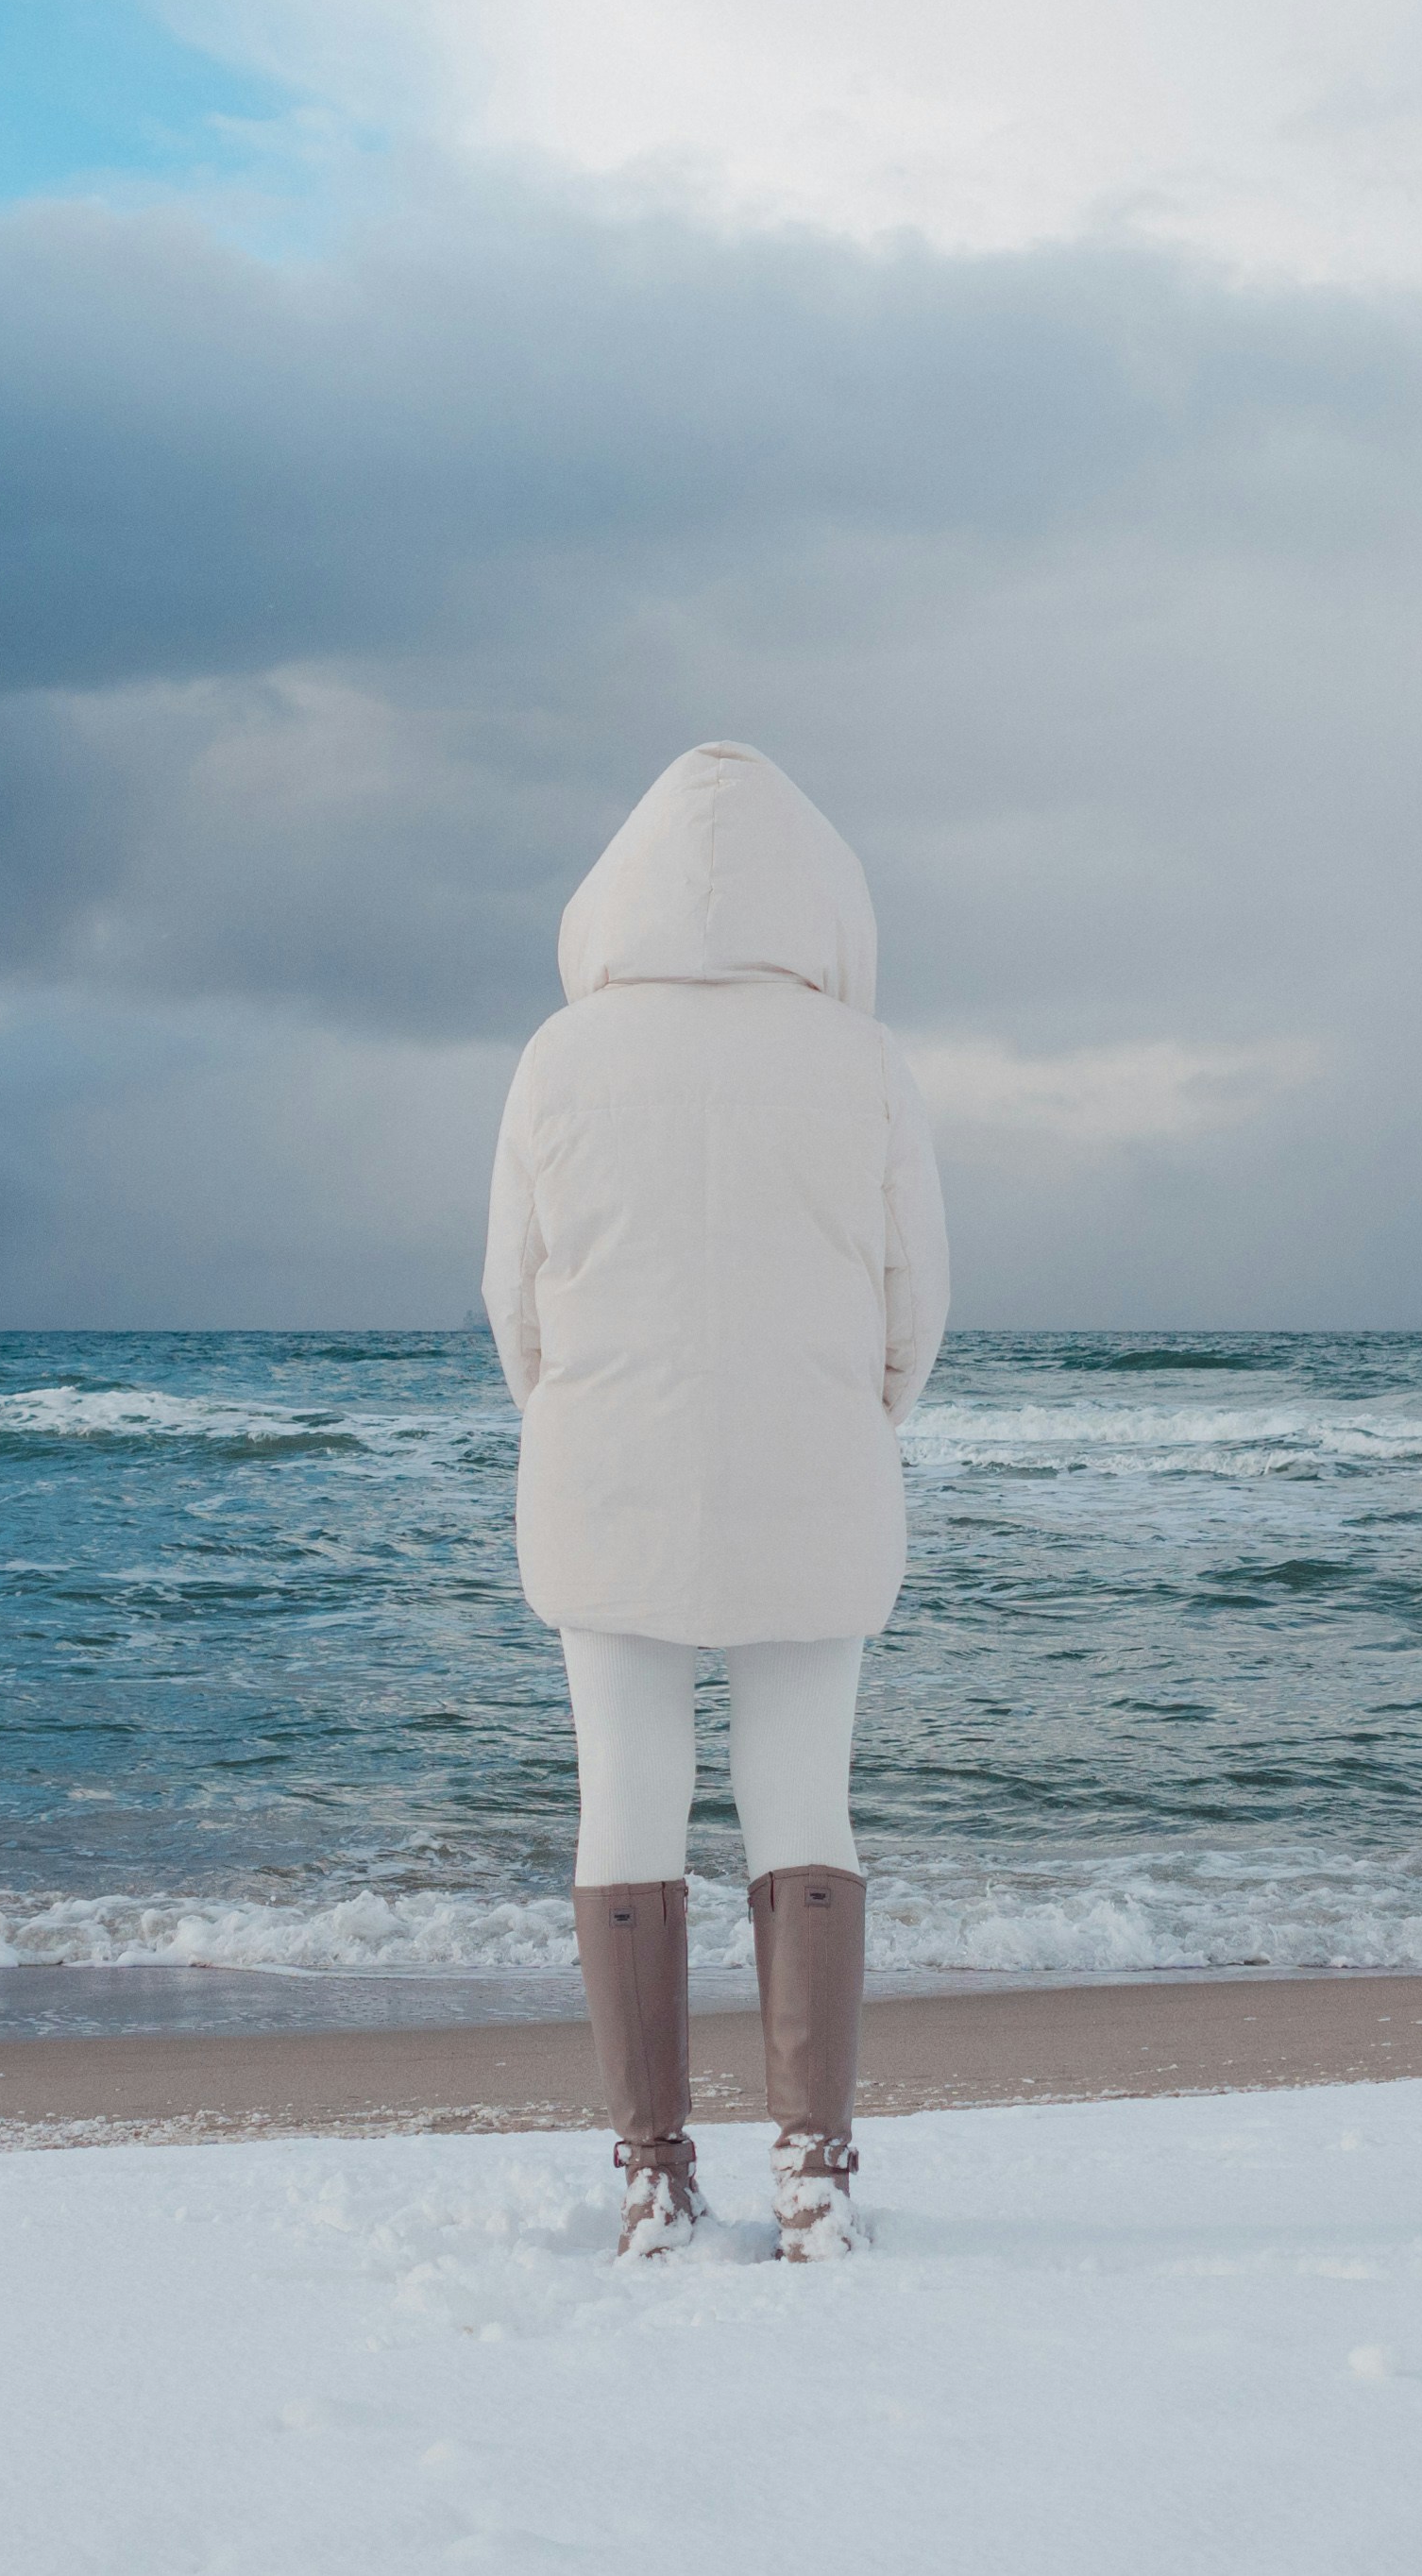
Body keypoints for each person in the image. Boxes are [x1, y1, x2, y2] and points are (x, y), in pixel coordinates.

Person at [482, 741, 950, 2262]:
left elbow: (515, 1304)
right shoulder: (859, 1057)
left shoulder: (559, 1055)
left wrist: (582, 1418)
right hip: (809, 1471)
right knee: (801, 1800)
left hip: (605, 1472)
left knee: (622, 1795)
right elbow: (914, 1305)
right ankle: (812, 2173)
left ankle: (649, 2178)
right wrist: (841, 1414)